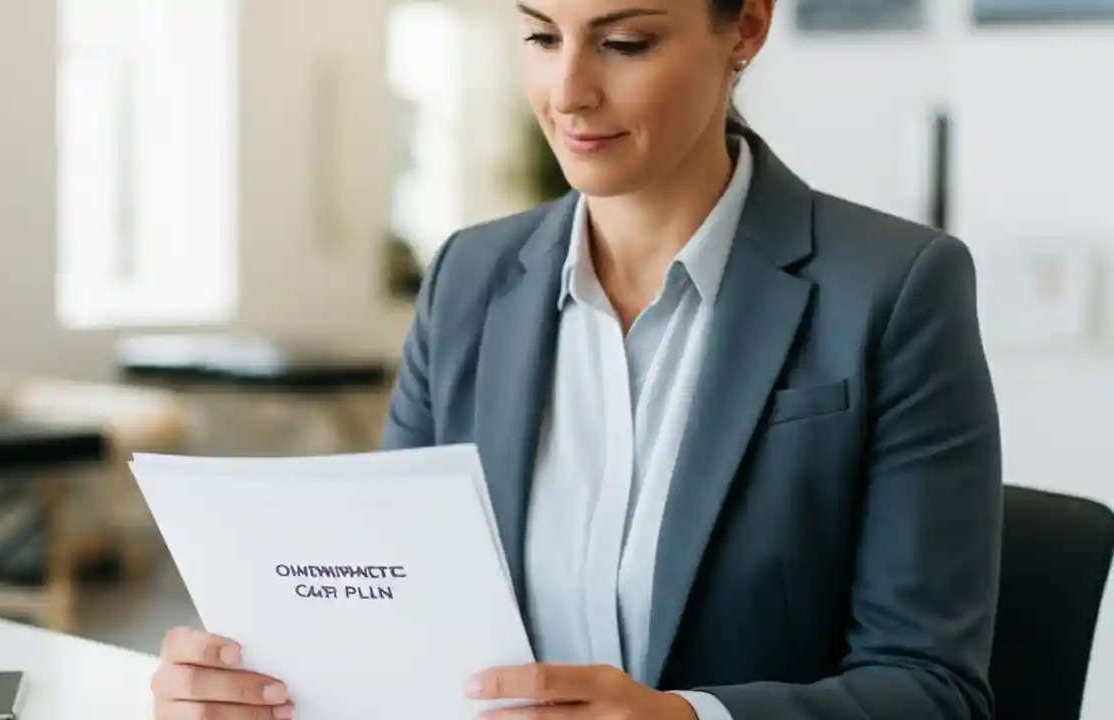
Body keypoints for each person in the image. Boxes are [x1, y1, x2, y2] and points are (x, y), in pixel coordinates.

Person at [151, 0, 1003, 718]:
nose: (568, 94)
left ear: (745, 26)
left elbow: (932, 688)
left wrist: (684, 718)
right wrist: (257, 686)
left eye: (624, 44)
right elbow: (395, 613)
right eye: (539, 35)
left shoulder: (894, 289)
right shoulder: (467, 279)